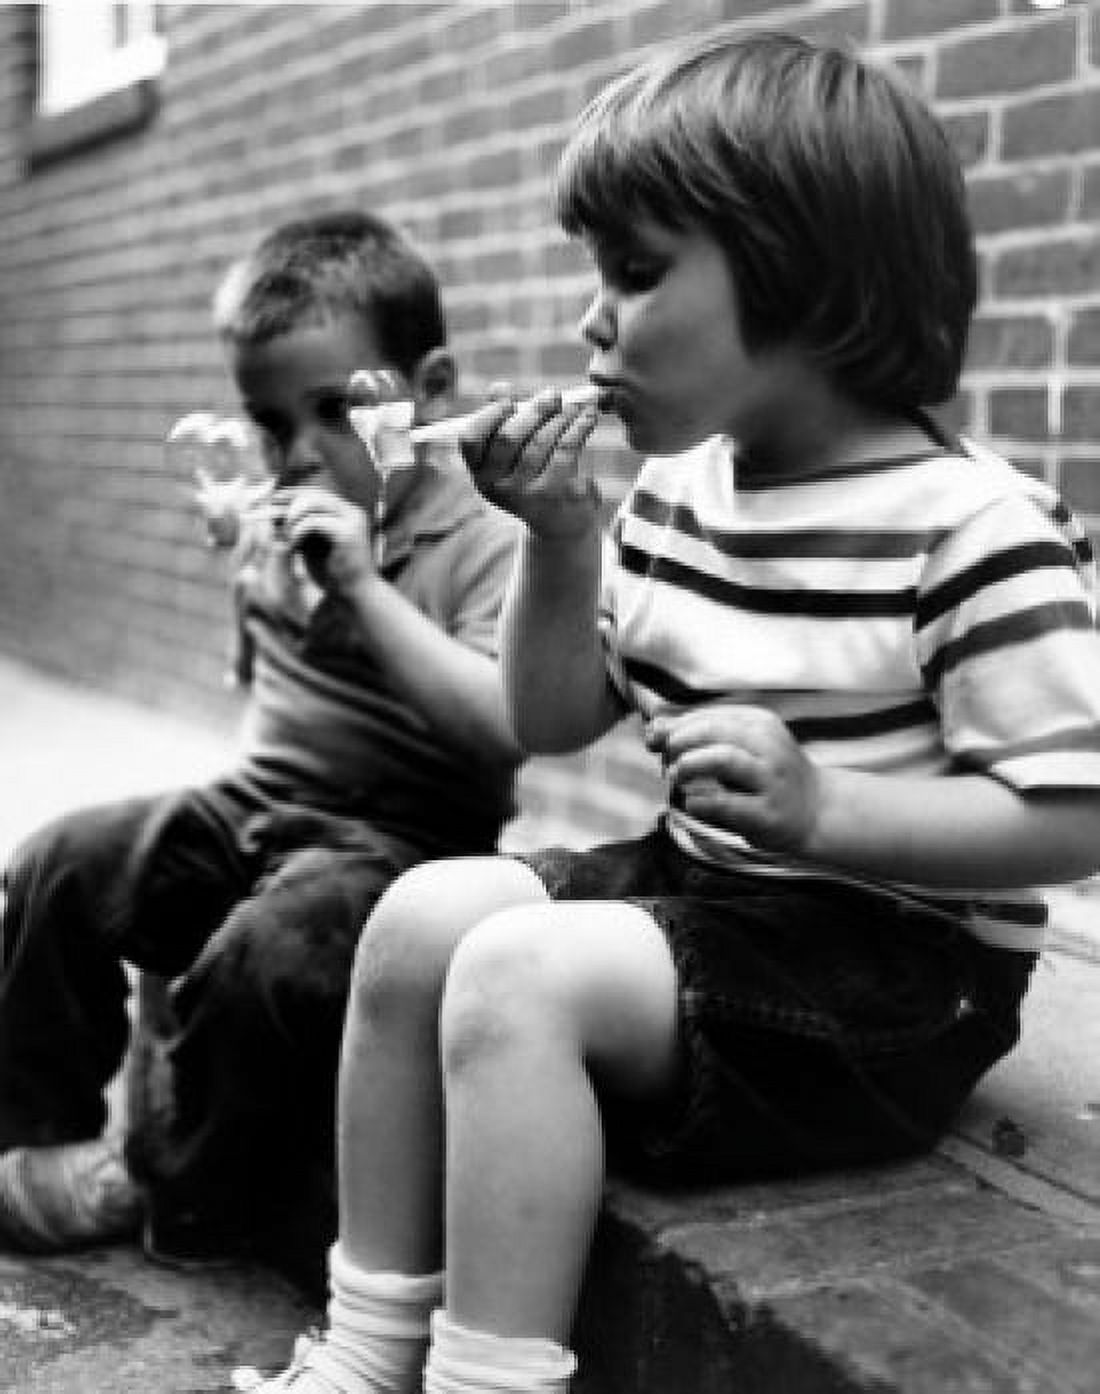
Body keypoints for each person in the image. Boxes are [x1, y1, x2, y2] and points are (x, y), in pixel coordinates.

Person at [235, 32, 1100, 1394]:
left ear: (808, 282)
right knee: (416, 923)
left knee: (520, 980)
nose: (592, 318)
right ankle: (366, 1351)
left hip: (897, 975)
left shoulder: (969, 525)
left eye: (635, 272)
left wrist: (831, 807)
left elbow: (1068, 815)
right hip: (713, 899)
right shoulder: (676, 491)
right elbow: (551, 717)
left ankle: (488, 1379)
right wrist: (563, 539)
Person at [0, 209, 523, 1274]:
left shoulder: (487, 539)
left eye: (333, 410)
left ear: (427, 390)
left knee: (263, 957)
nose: (299, 454)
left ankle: (172, 1192)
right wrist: (254, 564)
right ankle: (35, 1129)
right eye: (270, 424)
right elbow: (266, 680)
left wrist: (365, 588)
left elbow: (503, 726)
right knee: (57, 863)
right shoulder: (288, 518)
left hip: (397, 846)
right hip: (254, 802)